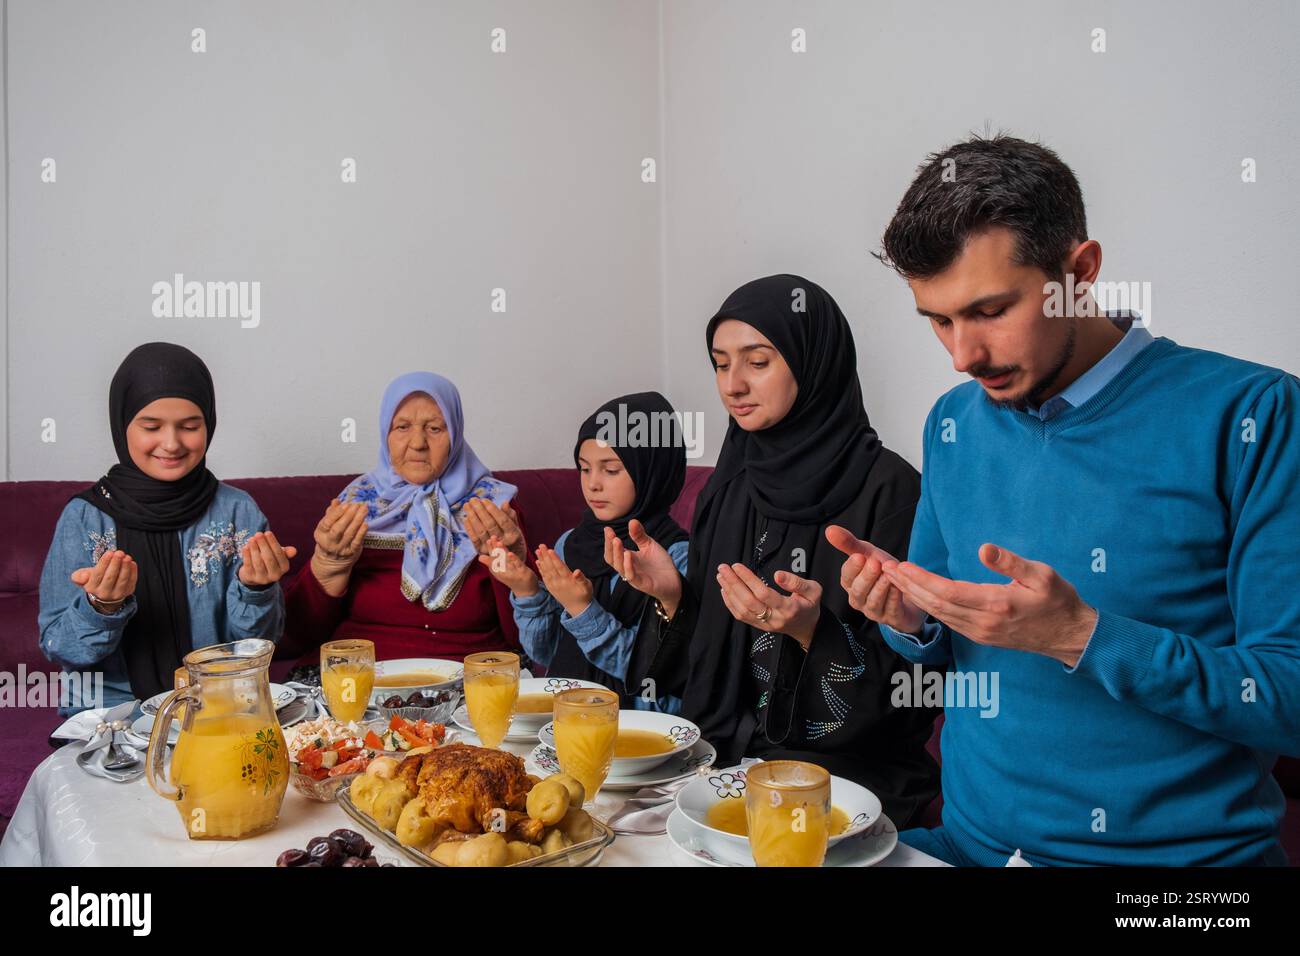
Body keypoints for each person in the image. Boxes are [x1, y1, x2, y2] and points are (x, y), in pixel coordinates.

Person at [836, 133, 1300, 865]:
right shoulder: (954, 422)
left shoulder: (1254, 414)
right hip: (967, 847)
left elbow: (1289, 693)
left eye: (990, 310)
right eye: (938, 318)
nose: (963, 355)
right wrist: (912, 620)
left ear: (1079, 272)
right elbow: (939, 648)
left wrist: (1082, 636)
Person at [609, 275, 942, 827]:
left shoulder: (890, 490)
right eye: (720, 363)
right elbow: (703, 660)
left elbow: (912, 687)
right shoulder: (732, 483)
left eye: (757, 362)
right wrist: (671, 598)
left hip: (842, 774)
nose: (732, 385)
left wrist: (811, 632)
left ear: (813, 362)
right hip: (720, 758)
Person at [38, 342, 293, 713]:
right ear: (122, 423)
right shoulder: (84, 517)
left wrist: (257, 590)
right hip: (108, 715)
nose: (171, 444)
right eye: (151, 426)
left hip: (218, 707)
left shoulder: (238, 510)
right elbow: (60, 648)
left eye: (189, 426)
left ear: (209, 424)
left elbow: (258, 647)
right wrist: (101, 606)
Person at [281, 372, 526, 664]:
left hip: (468, 674)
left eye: (435, 428)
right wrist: (328, 566)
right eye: (402, 427)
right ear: (385, 433)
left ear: (456, 434)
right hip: (361, 674)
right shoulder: (356, 505)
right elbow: (295, 638)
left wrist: (511, 569)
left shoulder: (493, 509)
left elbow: (524, 638)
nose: (418, 443)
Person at [485, 392, 689, 711]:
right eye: (584, 469)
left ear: (652, 470)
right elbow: (547, 655)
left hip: (642, 733)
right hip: (567, 722)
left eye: (611, 470)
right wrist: (525, 590)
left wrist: (584, 611)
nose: (593, 484)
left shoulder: (676, 557)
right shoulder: (572, 543)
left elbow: (660, 681)